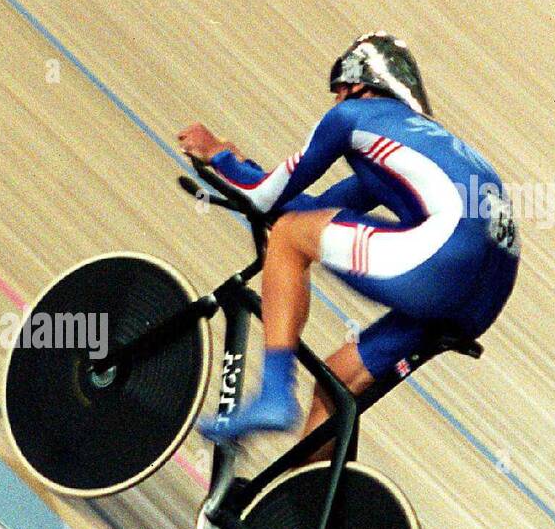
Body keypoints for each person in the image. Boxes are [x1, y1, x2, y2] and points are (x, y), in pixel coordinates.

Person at [179, 31, 519, 447]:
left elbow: (268, 201)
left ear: (358, 85)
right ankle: (298, 503)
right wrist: (255, 183)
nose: (334, 104)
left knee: (287, 238)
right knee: (335, 384)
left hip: (441, 261)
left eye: (338, 92)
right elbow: (310, 211)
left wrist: (220, 156)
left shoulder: (351, 117)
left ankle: (274, 393)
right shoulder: (419, 144)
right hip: (483, 298)